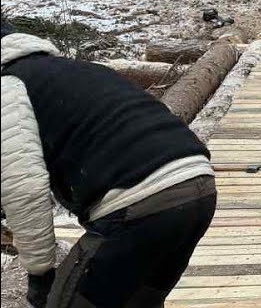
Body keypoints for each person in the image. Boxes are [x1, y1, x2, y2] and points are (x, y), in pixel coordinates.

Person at [1, 21, 217, 308]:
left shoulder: (8, 88)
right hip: (198, 186)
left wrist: (40, 273)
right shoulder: (74, 70)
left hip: (140, 200)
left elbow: (24, 190)